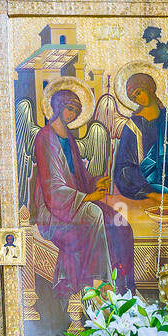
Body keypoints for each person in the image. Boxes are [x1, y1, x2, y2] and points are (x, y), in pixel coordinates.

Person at [30, 85, 135, 304]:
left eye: (76, 111)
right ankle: (99, 284)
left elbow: (80, 177)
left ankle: (124, 284)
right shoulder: (45, 137)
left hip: (75, 202)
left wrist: (97, 182)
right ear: (58, 107)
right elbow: (52, 187)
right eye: (69, 109)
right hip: (54, 209)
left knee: (120, 224)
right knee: (94, 213)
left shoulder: (68, 137)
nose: (72, 114)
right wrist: (87, 198)